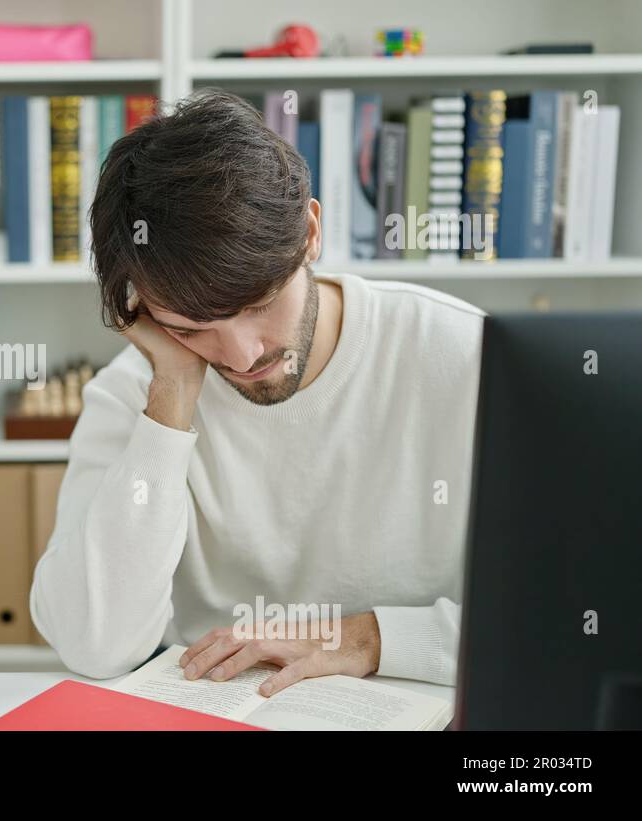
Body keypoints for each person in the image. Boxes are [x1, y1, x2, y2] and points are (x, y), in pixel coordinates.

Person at [31, 90, 483, 695]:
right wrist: (170, 403)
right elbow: (95, 646)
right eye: (192, 329)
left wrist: (370, 638)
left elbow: (579, 607)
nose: (242, 356)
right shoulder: (132, 394)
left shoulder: (461, 354)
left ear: (311, 232)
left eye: (259, 304)